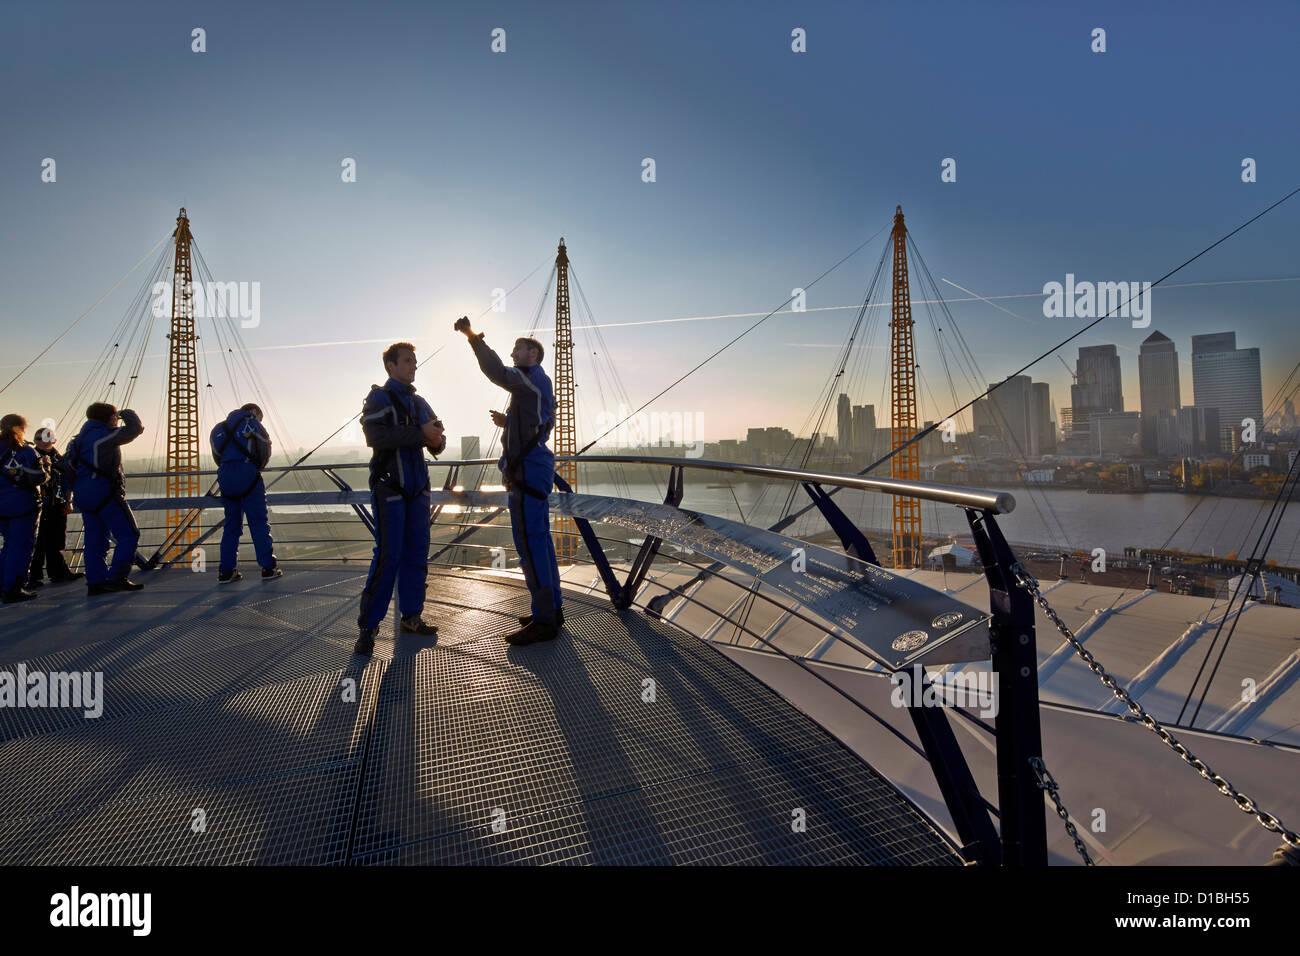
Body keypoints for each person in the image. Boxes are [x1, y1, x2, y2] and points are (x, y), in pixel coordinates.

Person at [455, 317, 563, 645]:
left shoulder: (530, 378)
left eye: (518, 348)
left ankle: (545, 622)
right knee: (541, 545)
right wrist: (511, 422)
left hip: (528, 473)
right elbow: (544, 419)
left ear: (533, 353)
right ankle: (550, 610)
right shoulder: (538, 385)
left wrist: (472, 337)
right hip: (533, 471)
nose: (513, 353)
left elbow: (497, 372)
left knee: (530, 548)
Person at [354, 342, 446, 655]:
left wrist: (435, 438)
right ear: (391, 366)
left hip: (417, 488)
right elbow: (375, 437)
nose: (414, 366)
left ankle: (411, 616)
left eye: (415, 361)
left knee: (416, 553)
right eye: (407, 361)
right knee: (388, 556)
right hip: (390, 486)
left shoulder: (419, 401)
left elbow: (438, 443)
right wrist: (422, 434)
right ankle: (368, 627)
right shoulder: (379, 397)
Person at [66, 403, 145, 595]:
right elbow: (134, 430)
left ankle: (96, 582)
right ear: (109, 417)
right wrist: (126, 413)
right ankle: (118, 577)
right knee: (129, 534)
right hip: (104, 493)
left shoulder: (75, 441)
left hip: (84, 496)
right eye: (114, 417)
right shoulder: (102, 436)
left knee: (95, 540)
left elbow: (68, 470)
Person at [210, 403, 280, 583]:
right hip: (248, 474)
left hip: (225, 477)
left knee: (231, 525)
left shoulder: (218, 429)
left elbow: (217, 455)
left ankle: (226, 571)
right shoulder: (252, 423)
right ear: (254, 412)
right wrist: (255, 468)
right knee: (258, 523)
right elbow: (265, 448)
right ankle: (268, 568)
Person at [0, 414, 48, 604]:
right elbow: (39, 477)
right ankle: (13, 587)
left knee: (9, 544)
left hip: (1, 508)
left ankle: (3, 583)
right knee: (20, 546)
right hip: (22, 505)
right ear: (21, 428)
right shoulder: (26, 451)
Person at [26, 427, 83, 588]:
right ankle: (33, 575)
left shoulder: (58, 458)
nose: (44, 441)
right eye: (40, 438)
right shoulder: (33, 456)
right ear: (35, 440)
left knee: (57, 539)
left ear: (54, 440)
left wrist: (67, 500)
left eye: (48, 438)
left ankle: (58, 572)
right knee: (39, 541)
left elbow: (66, 481)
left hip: (57, 503)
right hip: (40, 504)